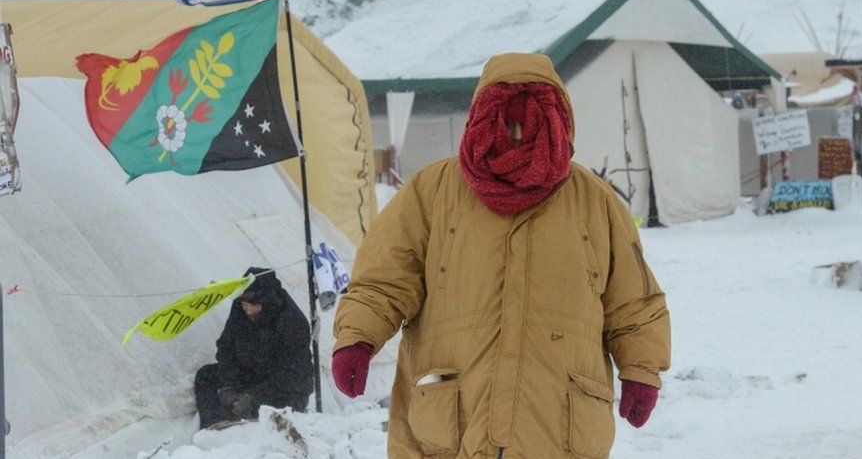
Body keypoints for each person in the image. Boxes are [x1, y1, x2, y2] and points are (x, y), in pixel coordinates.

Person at [331, 53, 671, 457]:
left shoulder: (595, 202)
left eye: (533, 120)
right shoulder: (431, 191)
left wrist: (641, 370)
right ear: (480, 118)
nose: (517, 134)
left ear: (560, 121)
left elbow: (633, 302)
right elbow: (385, 278)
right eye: (505, 120)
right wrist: (357, 336)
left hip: (556, 424)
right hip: (452, 420)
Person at [194, 268, 314, 429]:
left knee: (272, 410)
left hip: (283, 386)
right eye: (244, 305)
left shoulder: (293, 322)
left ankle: (252, 427)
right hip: (251, 372)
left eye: (252, 306)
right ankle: (213, 427)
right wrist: (231, 383)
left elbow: (292, 374)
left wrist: (253, 397)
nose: (247, 310)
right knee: (206, 375)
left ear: (268, 303)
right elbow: (226, 347)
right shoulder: (241, 309)